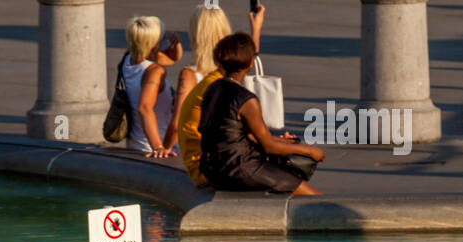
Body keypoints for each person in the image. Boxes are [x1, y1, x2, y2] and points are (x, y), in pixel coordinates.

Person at [198, 32, 324, 195]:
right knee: (315, 197)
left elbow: (236, 134)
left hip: (213, 170)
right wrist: (309, 150)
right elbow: (268, 146)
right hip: (240, 168)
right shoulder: (246, 100)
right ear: (250, 64)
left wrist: (282, 140)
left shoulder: (212, 89)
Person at [172, 2, 264, 185]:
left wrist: (161, 147)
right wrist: (256, 29)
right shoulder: (231, 71)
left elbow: (177, 124)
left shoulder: (191, 75)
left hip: (207, 161)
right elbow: (248, 56)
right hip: (234, 152)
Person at [121, 16, 183, 159]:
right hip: (155, 147)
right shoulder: (154, 71)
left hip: (136, 143)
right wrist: (158, 147)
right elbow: (144, 108)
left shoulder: (129, 58)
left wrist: (176, 46)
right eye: (161, 39)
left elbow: (172, 59)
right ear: (154, 45)